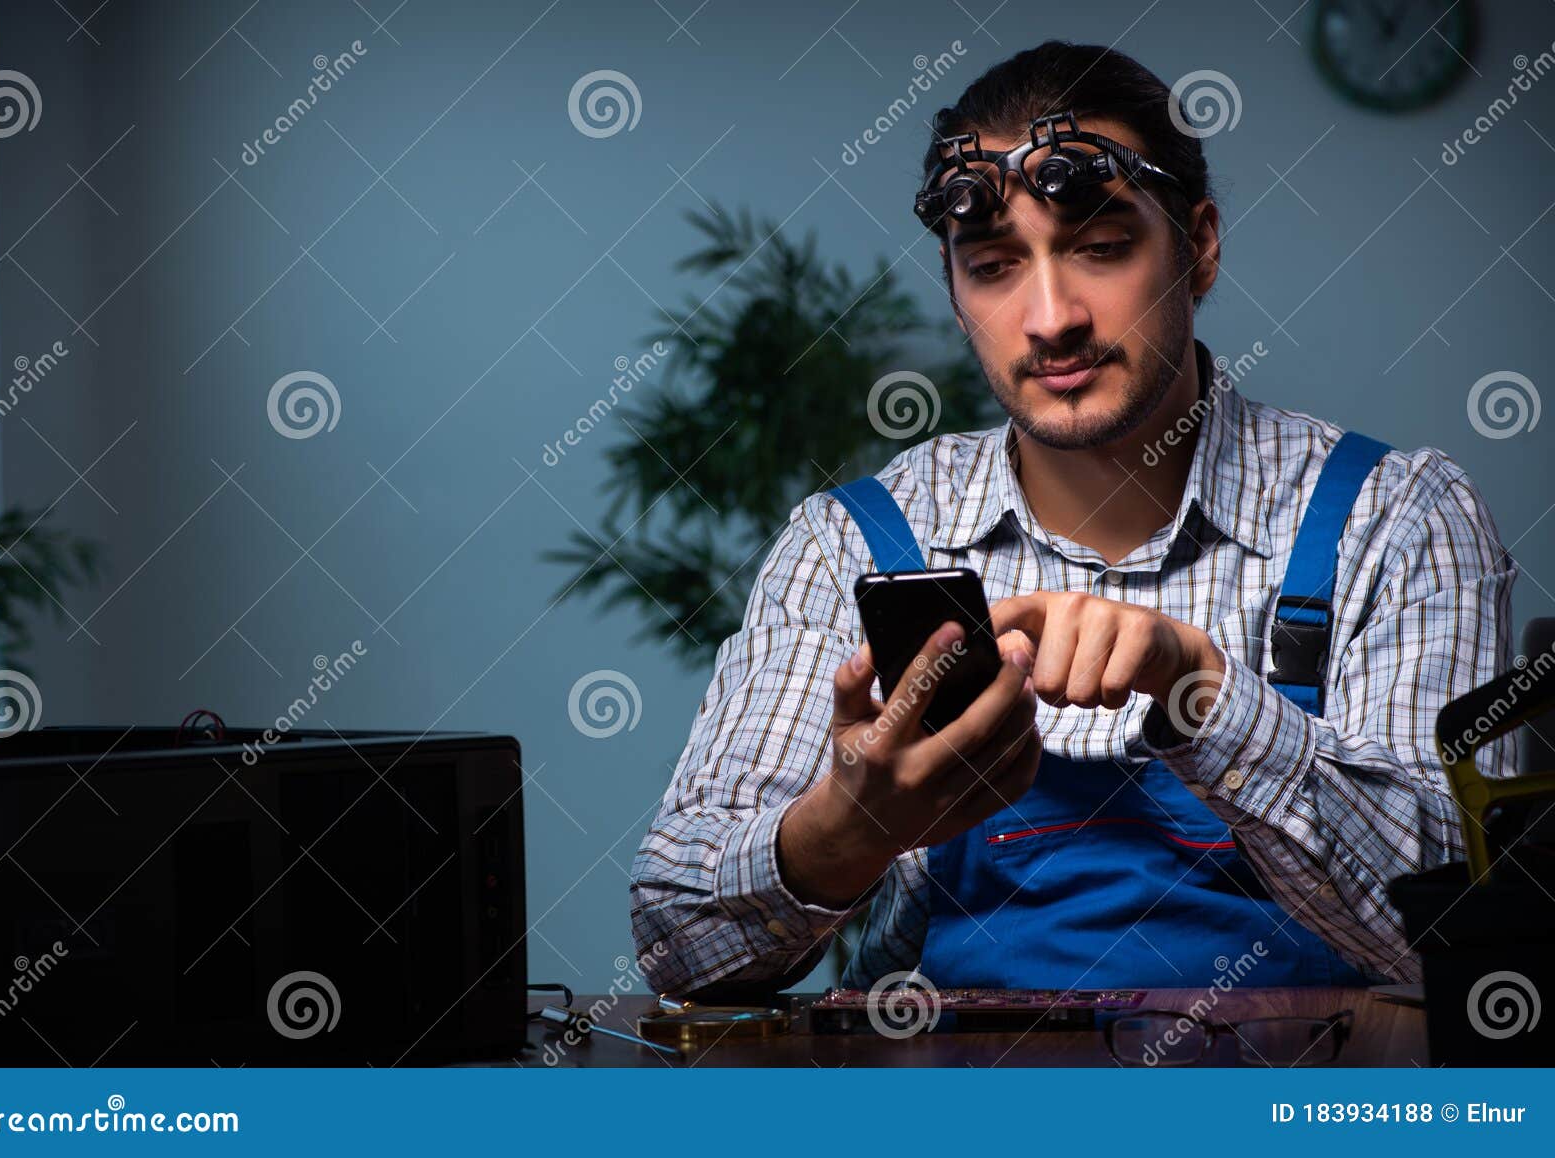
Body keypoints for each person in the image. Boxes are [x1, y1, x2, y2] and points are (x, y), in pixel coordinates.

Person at [629, 39, 1517, 997]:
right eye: (995, 265)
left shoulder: (1394, 520)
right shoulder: (856, 541)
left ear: (1200, 245)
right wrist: (845, 832)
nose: (1051, 318)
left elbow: (1463, 940)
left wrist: (1203, 693)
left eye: (1100, 247)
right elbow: (676, 944)